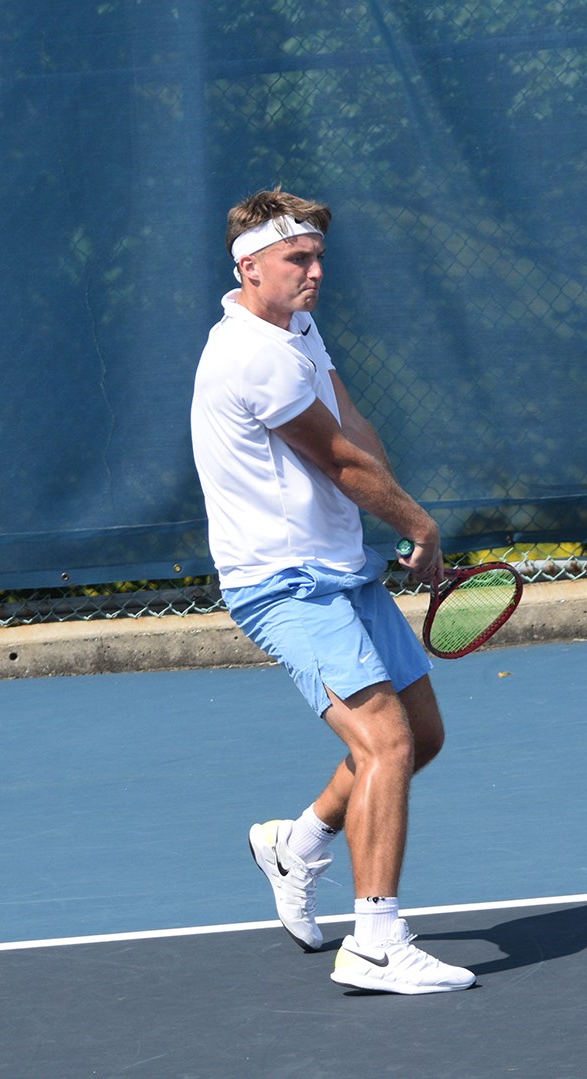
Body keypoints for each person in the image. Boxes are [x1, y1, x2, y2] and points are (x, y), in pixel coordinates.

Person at [189, 189, 475, 995]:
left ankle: (301, 844)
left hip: (340, 567)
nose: (315, 272)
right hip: (280, 582)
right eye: (297, 260)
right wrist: (421, 523)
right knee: (383, 740)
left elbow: (353, 430)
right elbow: (338, 465)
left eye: (318, 258)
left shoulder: (297, 328)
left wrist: (404, 522)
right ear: (250, 268)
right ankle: (376, 940)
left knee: (422, 733)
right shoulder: (253, 355)